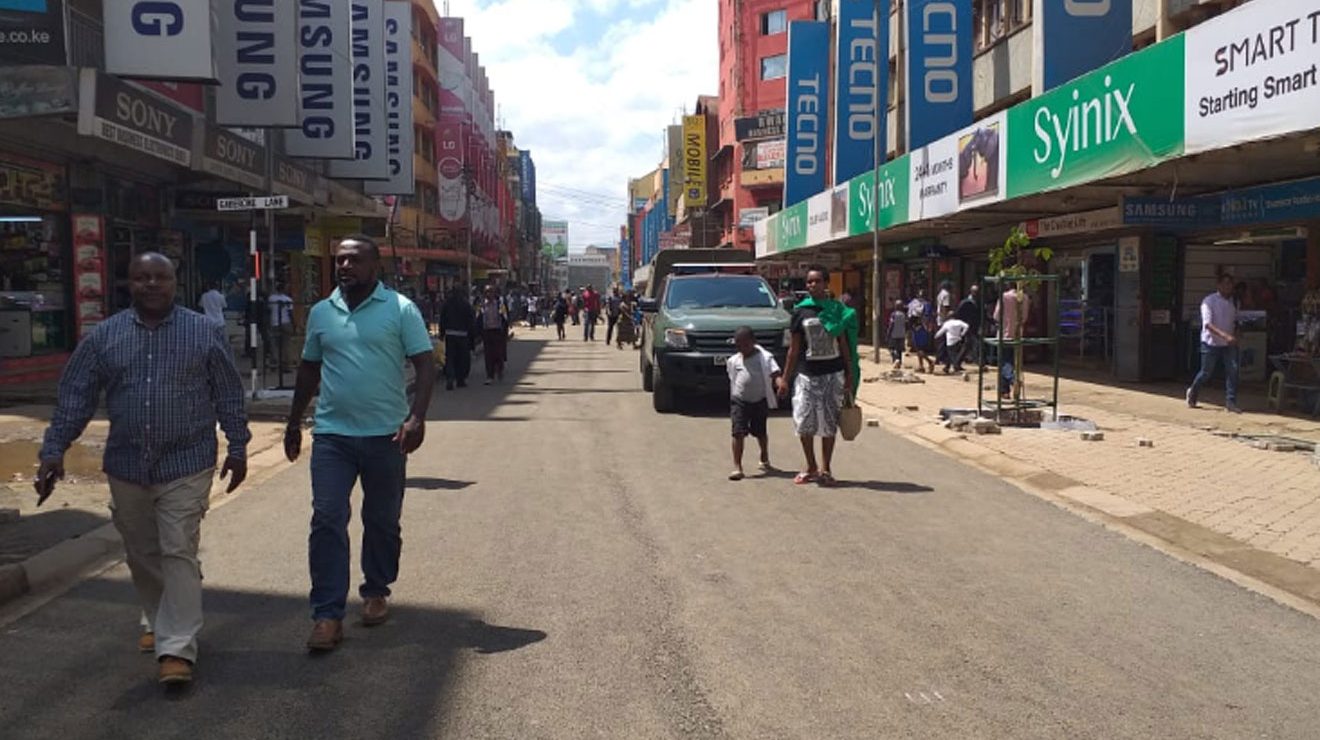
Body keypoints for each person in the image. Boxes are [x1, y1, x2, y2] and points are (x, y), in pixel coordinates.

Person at [36, 252, 250, 686]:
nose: (151, 284)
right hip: (127, 464)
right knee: (142, 553)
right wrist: (54, 449)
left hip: (187, 460)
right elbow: (76, 396)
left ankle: (177, 648)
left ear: (175, 282)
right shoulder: (104, 337)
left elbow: (228, 393)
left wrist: (238, 446)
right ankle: (159, 617)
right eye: (141, 277)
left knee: (177, 547)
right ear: (128, 283)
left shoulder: (204, 332)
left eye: (160, 277)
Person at [285, 235, 436, 653]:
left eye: (354, 260)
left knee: (382, 519)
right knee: (327, 518)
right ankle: (327, 615)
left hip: (387, 435)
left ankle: (376, 589)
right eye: (340, 260)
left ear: (375, 266)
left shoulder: (401, 309)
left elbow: (425, 365)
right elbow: (309, 368)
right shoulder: (322, 312)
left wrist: (416, 417)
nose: (345, 267)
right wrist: (293, 423)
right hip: (332, 436)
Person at [776, 267, 857, 487]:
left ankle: (826, 468)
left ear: (826, 283)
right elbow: (794, 349)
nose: (812, 285)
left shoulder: (837, 309)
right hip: (806, 375)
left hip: (833, 374)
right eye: (809, 282)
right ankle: (811, 466)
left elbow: (843, 344)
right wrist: (785, 379)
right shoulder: (800, 312)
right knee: (803, 422)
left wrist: (849, 372)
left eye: (817, 281)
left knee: (829, 424)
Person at [727, 326, 779, 481]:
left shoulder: (765, 358)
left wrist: (780, 383)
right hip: (739, 401)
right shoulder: (734, 360)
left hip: (759, 401)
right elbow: (733, 376)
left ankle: (764, 454)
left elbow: (775, 372)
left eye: (746, 345)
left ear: (753, 342)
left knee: (760, 432)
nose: (742, 348)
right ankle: (737, 466)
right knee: (738, 432)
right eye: (738, 345)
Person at [1187, 273, 1242, 414]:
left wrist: (1236, 335)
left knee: (1233, 370)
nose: (1228, 287)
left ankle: (1231, 401)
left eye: (1230, 284)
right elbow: (1207, 324)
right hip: (1211, 342)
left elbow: (1236, 321)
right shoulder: (1209, 301)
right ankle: (1193, 392)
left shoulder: (1234, 302)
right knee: (1206, 372)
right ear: (1219, 285)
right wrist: (1224, 335)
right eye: (1225, 283)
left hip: (1228, 344)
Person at [994, 283, 1030, 398]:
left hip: (1004, 333)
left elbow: (996, 315)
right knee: (1013, 361)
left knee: (1004, 361)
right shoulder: (1025, 297)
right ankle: (1004, 391)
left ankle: (1012, 379)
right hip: (1018, 334)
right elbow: (1024, 317)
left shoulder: (1004, 297)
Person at [439, 286, 476, 390]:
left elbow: (442, 319)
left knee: (450, 358)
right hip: (463, 335)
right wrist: (472, 336)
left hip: (450, 334)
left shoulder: (447, 304)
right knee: (462, 358)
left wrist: (442, 333)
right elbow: (471, 321)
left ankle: (450, 378)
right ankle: (460, 379)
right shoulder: (466, 304)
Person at [479, 284, 509, 384]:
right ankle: (489, 376)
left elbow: (505, 317)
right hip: (487, 332)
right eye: (487, 292)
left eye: (491, 292)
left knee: (498, 353)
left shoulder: (499, 304)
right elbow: (479, 318)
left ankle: (499, 370)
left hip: (497, 332)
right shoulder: (482, 305)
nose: (489, 294)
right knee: (488, 355)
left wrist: (504, 331)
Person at [269, 282, 295, 371]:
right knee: (286, 345)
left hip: (274, 322)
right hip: (285, 322)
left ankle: (274, 363)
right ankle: (285, 364)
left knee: (274, 345)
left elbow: (269, 310)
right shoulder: (288, 299)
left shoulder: (271, 298)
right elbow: (290, 313)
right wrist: (293, 324)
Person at [955, 285, 982, 367]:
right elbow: (959, 313)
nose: (977, 294)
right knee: (975, 343)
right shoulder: (965, 302)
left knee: (967, 345)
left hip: (974, 325)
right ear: (972, 292)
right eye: (975, 292)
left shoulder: (978, 302)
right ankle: (979, 363)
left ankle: (957, 363)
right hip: (967, 325)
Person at [887, 299, 907, 368]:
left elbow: (891, 324)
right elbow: (905, 324)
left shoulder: (893, 314)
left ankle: (896, 359)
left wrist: (888, 333)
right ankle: (899, 363)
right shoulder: (904, 315)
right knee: (900, 350)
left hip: (894, 334)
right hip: (902, 335)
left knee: (891, 348)